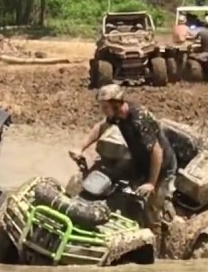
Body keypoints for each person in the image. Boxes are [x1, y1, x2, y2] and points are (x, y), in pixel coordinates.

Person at [69, 83, 177, 221]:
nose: (102, 110)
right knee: (109, 174)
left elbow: (157, 151)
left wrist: (151, 183)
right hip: (140, 158)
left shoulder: (139, 119)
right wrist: (81, 148)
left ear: (116, 104)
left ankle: (157, 234)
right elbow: (101, 127)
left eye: (105, 106)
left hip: (161, 166)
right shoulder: (117, 113)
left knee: (152, 208)